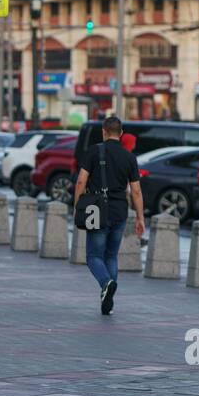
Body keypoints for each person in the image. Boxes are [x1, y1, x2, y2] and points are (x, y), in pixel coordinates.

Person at [72, 116, 145, 316]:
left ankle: (106, 284)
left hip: (96, 211)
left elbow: (81, 181)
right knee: (111, 255)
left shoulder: (94, 151)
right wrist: (140, 217)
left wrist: (78, 206)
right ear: (120, 134)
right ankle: (108, 297)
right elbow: (136, 191)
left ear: (104, 132)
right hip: (120, 211)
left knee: (93, 256)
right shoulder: (129, 157)